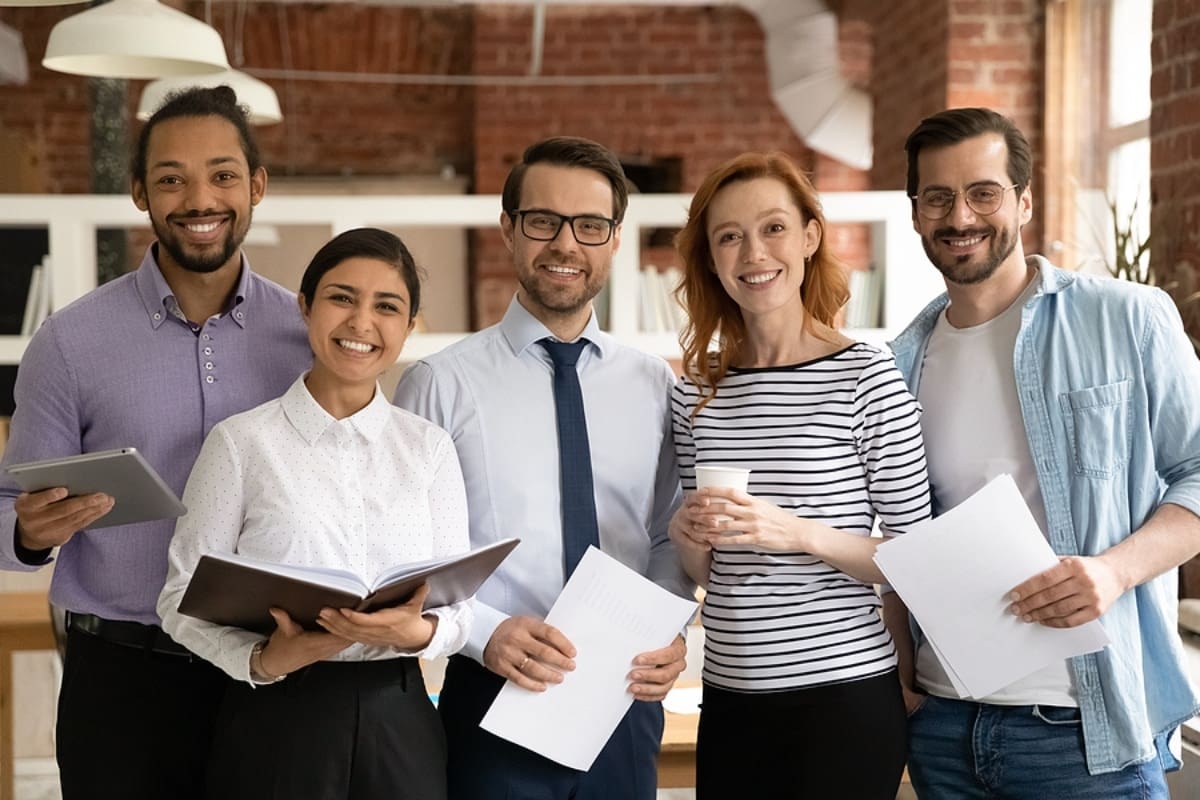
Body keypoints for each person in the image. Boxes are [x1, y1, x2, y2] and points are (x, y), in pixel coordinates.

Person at [0, 86, 312, 800]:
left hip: (272, 671)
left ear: (257, 186)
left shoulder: (308, 337)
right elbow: (4, 511)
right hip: (122, 684)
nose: (200, 199)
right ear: (139, 193)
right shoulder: (70, 343)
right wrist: (27, 534)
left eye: (223, 175)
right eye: (171, 178)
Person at [891, 106, 1200, 798]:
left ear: (1024, 201)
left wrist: (1115, 572)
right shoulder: (898, 364)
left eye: (983, 192)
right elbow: (892, 542)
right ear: (915, 213)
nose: (960, 215)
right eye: (937, 197)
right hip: (943, 729)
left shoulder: (1126, 318)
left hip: (1084, 734)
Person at [393, 136, 692, 800]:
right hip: (494, 694)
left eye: (590, 226)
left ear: (615, 240)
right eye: (543, 222)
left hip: (622, 697)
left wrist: (668, 626)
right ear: (509, 229)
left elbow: (669, 532)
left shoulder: (651, 384)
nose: (566, 244)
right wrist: (485, 636)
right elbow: (409, 555)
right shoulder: (440, 384)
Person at [157, 227, 469, 799]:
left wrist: (419, 631)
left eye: (387, 307)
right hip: (276, 713)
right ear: (305, 307)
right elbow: (180, 599)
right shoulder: (241, 444)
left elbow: (461, 608)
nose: (360, 323)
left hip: (400, 715)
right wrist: (264, 660)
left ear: (409, 326)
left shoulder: (429, 448)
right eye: (341, 298)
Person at [667, 151, 932, 799]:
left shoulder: (864, 376)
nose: (754, 252)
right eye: (729, 236)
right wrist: (686, 533)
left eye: (773, 228)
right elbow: (707, 572)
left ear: (810, 237)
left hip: (841, 699)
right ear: (709, 257)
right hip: (728, 695)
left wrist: (798, 532)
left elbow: (920, 559)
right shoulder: (696, 391)